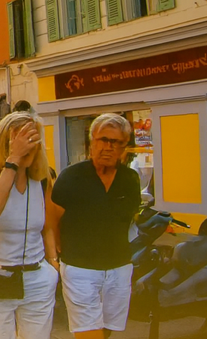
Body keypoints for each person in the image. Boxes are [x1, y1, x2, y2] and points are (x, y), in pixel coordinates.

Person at [50, 114, 141, 339]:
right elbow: (52, 221)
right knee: (88, 331)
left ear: (124, 147)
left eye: (116, 142)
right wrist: (56, 255)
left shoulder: (130, 179)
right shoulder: (71, 177)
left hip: (119, 266)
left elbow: (128, 218)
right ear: (92, 142)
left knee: (106, 328)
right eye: (104, 140)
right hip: (80, 267)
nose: (109, 147)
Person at [0, 112, 59, 339]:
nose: (28, 147)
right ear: (5, 143)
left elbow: (47, 226)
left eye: (33, 140)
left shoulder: (42, 179)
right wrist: (13, 161)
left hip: (37, 277)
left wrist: (54, 266)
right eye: (21, 140)